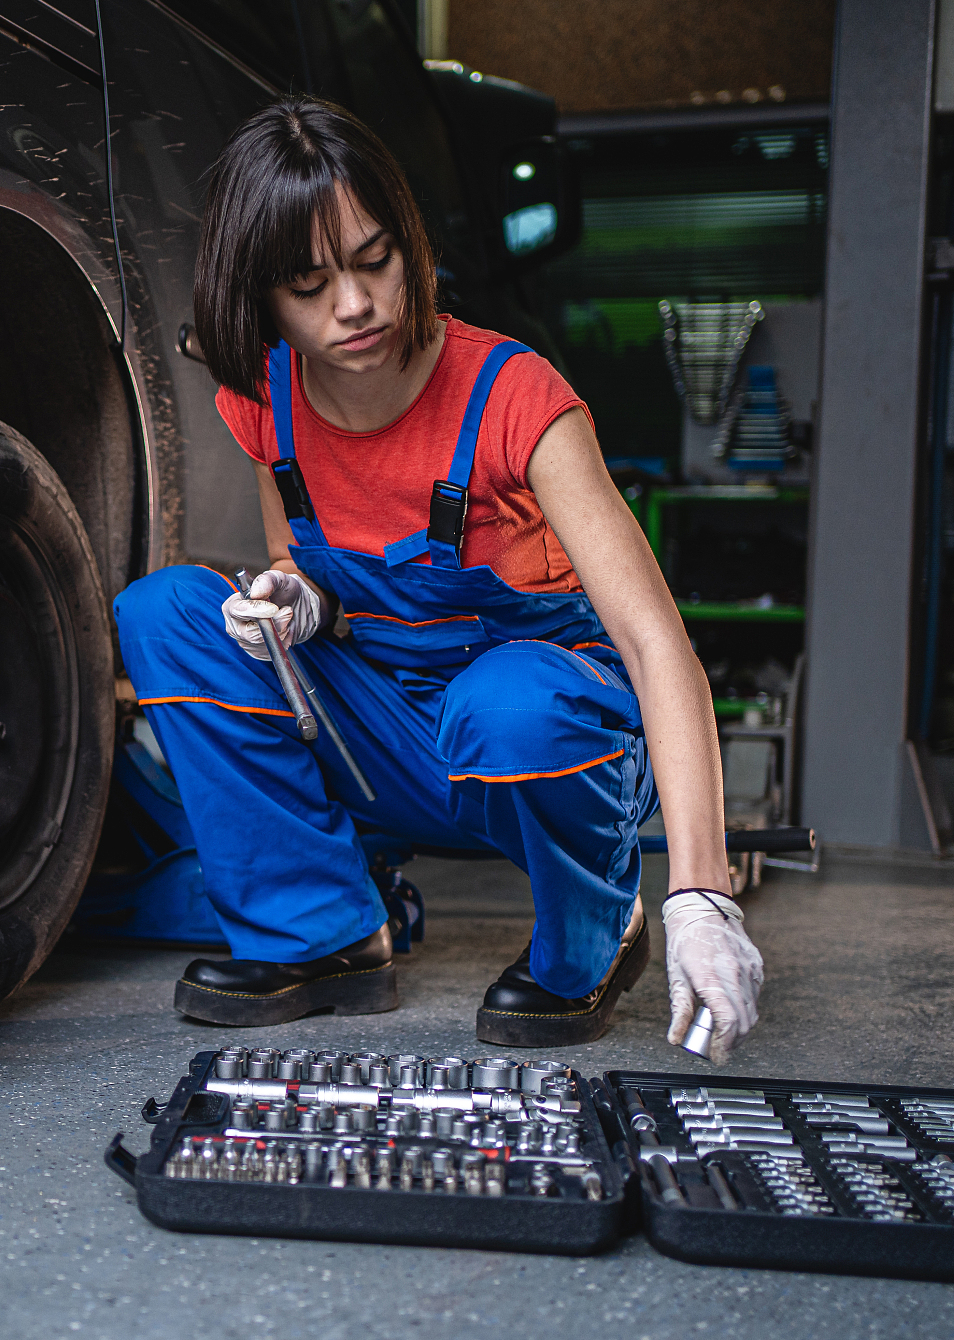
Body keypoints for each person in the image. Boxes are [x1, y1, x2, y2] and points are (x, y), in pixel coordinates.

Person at [114, 98, 764, 1058]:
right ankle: (322, 930)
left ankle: (591, 935)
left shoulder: (518, 401)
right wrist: (305, 601)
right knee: (166, 612)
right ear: (260, 294)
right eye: (308, 281)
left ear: (410, 245)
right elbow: (304, 565)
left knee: (508, 702)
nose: (353, 304)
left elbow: (654, 644)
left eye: (373, 260)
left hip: (532, 744)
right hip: (384, 730)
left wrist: (700, 891)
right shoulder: (266, 398)